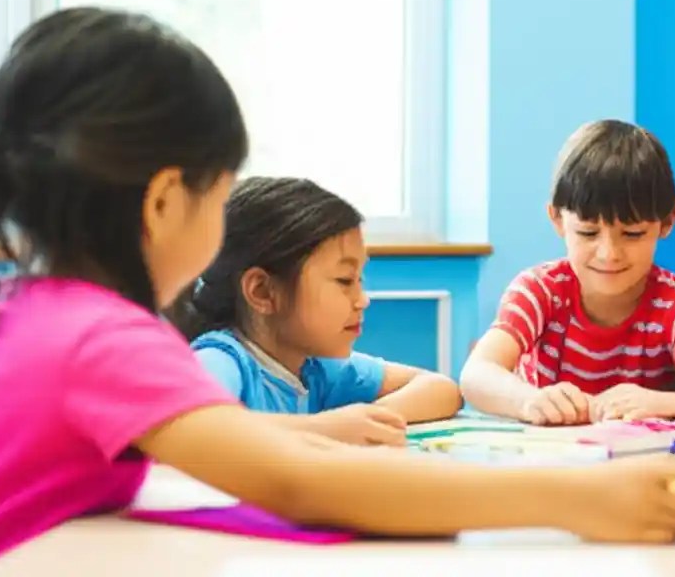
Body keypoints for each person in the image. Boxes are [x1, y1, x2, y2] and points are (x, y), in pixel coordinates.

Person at [0, 8, 675, 573]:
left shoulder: (25, 310)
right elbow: (298, 483)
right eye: (222, 196)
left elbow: (247, 444)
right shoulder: (100, 335)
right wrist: (574, 502)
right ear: (161, 203)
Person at [460, 120, 675, 425]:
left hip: (642, 468)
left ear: (668, 221)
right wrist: (528, 400)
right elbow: (476, 375)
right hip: (551, 466)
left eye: (633, 233)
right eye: (588, 233)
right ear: (557, 219)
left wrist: (658, 402)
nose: (609, 254)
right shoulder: (539, 291)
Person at [167, 176, 462, 445]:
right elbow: (189, 426)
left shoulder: (315, 369)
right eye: (344, 280)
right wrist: (325, 427)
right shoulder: (222, 360)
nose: (362, 300)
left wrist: (369, 419)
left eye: (359, 280)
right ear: (262, 291)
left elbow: (441, 389)